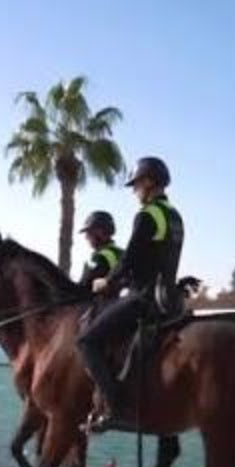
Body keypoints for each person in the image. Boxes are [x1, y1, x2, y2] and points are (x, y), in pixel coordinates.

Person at [77, 156, 184, 434]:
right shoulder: (174, 216)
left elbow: (131, 261)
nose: (135, 191)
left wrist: (106, 283)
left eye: (136, 184)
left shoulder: (147, 215)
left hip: (144, 297)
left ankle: (115, 407)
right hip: (170, 299)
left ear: (148, 182)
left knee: (87, 341)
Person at [77, 211, 124, 289]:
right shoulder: (122, 253)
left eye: (89, 232)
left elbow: (84, 287)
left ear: (100, 232)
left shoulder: (101, 256)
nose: (86, 237)